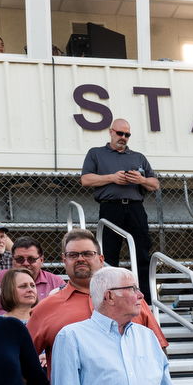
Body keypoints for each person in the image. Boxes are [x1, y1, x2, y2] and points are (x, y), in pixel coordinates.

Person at [29, 228, 168, 373]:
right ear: (65, 260)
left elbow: (159, 351)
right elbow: (23, 361)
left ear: (101, 260)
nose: (80, 259)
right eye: (73, 255)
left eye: (88, 254)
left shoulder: (132, 299)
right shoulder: (45, 309)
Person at [79, 119, 160, 302]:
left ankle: (145, 299)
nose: (123, 138)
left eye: (127, 135)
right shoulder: (96, 153)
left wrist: (141, 180)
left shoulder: (138, 157)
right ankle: (108, 298)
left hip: (135, 208)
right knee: (109, 255)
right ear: (111, 132)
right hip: (111, 208)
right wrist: (112, 178)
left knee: (142, 253)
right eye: (120, 134)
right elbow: (86, 180)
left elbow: (155, 184)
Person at [9, 237, 66, 302]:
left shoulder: (56, 283)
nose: (25, 263)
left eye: (31, 259)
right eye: (20, 259)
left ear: (41, 260)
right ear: (13, 259)